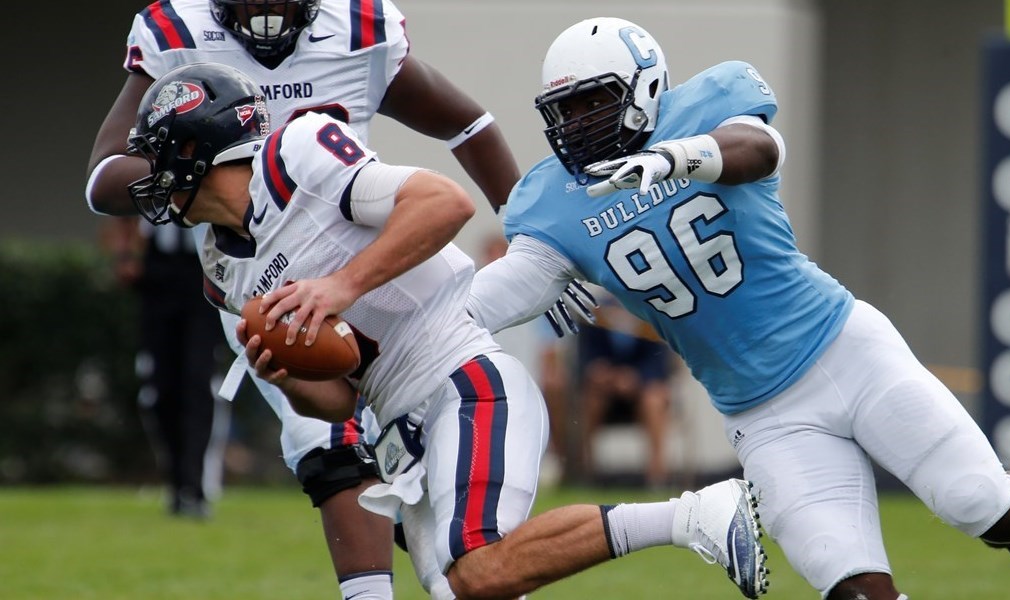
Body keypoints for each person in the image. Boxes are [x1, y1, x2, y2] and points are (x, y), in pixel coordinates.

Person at [462, 16, 1010, 600]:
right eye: (563, 109)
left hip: (844, 350)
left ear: (645, 88)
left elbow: (759, 148)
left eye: (592, 101)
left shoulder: (708, 110)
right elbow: (491, 297)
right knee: (851, 585)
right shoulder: (556, 200)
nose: (577, 122)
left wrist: (674, 158)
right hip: (762, 414)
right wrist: (409, 331)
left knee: (978, 500)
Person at [120, 62, 769, 600]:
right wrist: (285, 376)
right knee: (467, 589)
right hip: (398, 421)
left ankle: (694, 515)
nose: (145, 178)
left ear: (193, 147)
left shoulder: (297, 152)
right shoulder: (217, 266)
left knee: (480, 569)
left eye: (156, 156)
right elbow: (341, 396)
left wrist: (340, 286)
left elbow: (443, 202)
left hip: (463, 372)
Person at [83, 1, 577, 597]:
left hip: (361, 249)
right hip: (261, 266)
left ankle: (676, 520)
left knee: (444, 405)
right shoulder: (180, 35)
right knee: (333, 445)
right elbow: (106, 177)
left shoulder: (337, 71)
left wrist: (532, 239)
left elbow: (463, 133)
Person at [100, 216, 230, 519]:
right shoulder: (144, 167)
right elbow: (120, 208)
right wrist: (124, 255)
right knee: (160, 389)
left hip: (203, 270)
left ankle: (195, 488)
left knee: (198, 383)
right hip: (157, 273)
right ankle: (176, 483)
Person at [578, 292, 674, 488]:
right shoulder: (595, 312)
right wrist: (605, 374)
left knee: (655, 398)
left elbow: (659, 361)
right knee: (590, 397)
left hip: (642, 391)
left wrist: (635, 377)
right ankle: (586, 472)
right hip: (605, 392)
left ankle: (656, 475)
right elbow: (586, 359)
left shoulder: (651, 311)